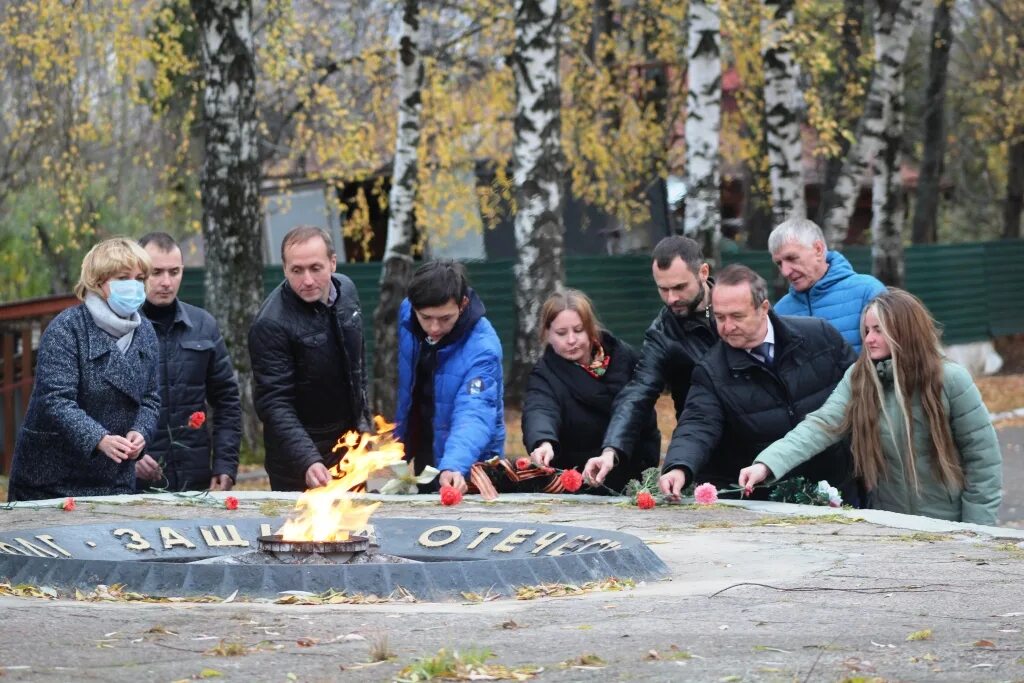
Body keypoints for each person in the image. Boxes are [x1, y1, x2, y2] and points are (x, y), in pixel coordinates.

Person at [738, 289, 1002, 525]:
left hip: (949, 522)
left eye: (878, 330)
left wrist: (976, 529)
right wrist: (767, 464)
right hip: (891, 524)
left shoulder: (950, 379)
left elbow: (983, 459)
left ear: (905, 332)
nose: (868, 339)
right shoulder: (859, 377)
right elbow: (821, 425)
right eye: (867, 331)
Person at [658, 264, 857, 500]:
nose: (727, 327)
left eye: (737, 316)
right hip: (770, 497)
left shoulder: (820, 336)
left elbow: (862, 390)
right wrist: (680, 465)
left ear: (763, 308)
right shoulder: (711, 370)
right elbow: (697, 423)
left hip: (838, 486)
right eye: (719, 317)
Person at [8, 238, 160, 501]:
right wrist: (99, 438)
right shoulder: (67, 328)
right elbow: (55, 400)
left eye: (140, 278)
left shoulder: (145, 331)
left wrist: (140, 431)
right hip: (51, 478)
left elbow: (150, 398)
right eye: (123, 278)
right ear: (98, 282)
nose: (134, 286)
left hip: (114, 479)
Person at [583, 235, 718, 486]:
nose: (671, 298)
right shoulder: (663, 334)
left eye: (679, 287)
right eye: (663, 289)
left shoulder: (740, 305)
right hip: (703, 449)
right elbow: (638, 393)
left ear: (703, 272)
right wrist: (611, 449)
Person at [248, 226, 371, 491]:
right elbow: (274, 402)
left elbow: (357, 366)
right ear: (284, 269)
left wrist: (365, 425)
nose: (307, 280)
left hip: (350, 446)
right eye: (297, 270)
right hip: (297, 459)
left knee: (359, 518)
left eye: (316, 268)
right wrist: (307, 460)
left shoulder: (347, 291)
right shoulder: (271, 323)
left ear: (332, 263)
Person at [522, 289, 660, 493]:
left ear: (591, 328)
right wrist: (544, 442)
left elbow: (640, 411)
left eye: (578, 330)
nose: (571, 340)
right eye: (561, 333)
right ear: (547, 334)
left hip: (635, 477)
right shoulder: (544, 375)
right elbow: (540, 409)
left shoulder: (625, 356)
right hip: (582, 486)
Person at [133, 232, 241, 492]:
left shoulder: (203, 325)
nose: (166, 282)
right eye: (156, 272)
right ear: (138, 272)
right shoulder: (122, 328)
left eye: (174, 272)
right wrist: (127, 457)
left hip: (196, 477)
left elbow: (227, 400)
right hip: (136, 480)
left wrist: (225, 464)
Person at [395, 260, 504, 494]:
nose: (434, 327)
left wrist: (454, 464)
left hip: (469, 461)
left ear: (463, 304)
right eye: (426, 317)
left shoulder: (483, 348)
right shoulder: (407, 313)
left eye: (445, 318)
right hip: (425, 444)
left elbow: (474, 412)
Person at [769, 217, 885, 352]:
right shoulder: (780, 312)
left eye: (792, 258)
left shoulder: (868, 291)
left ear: (818, 250)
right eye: (779, 263)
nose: (785, 272)